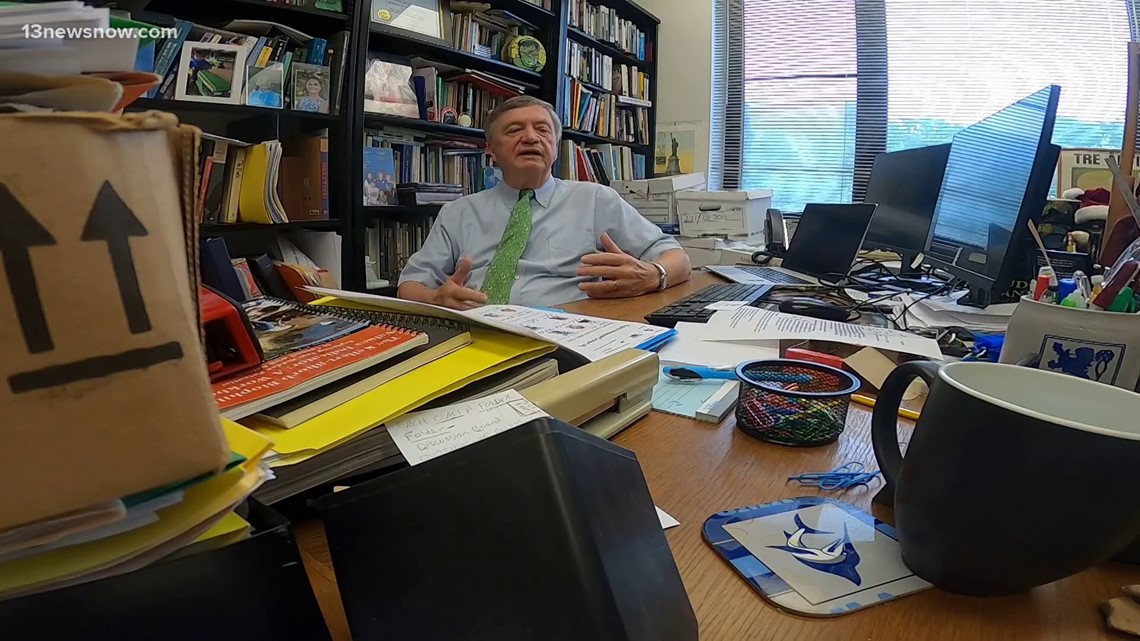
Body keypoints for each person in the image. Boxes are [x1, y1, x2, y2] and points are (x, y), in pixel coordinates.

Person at [398, 95, 691, 310]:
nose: (530, 138)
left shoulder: (595, 199)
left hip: (570, 331)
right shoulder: (458, 212)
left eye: (542, 130)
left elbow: (679, 259)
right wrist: (436, 298)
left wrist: (653, 275)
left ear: (554, 148)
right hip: (479, 332)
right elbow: (410, 285)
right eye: (513, 131)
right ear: (491, 150)